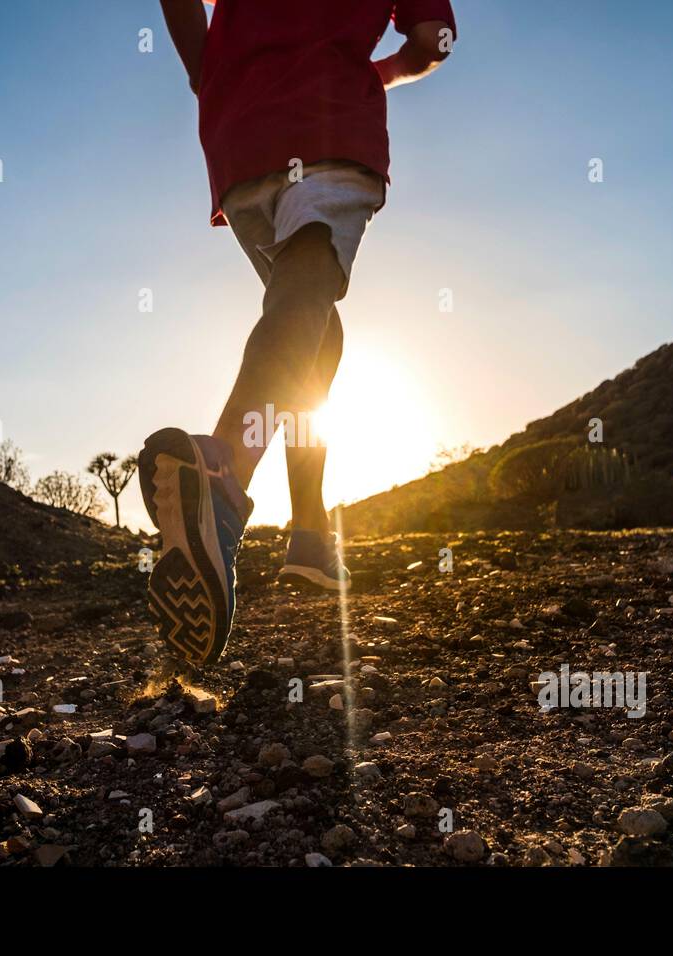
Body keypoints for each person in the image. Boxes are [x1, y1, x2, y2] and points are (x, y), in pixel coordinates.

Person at [140, 0, 457, 666]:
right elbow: (433, 40)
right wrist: (385, 71)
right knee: (310, 276)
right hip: (326, 118)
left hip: (239, 138)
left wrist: (211, 74)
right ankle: (224, 471)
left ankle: (310, 533)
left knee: (316, 324)